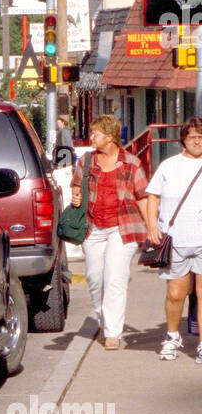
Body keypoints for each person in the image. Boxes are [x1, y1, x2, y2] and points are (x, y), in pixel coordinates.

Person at [70, 113, 149, 349]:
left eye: (96, 133)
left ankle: (113, 332)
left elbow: (143, 197)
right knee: (95, 279)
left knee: (115, 277)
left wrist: (152, 227)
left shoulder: (132, 163)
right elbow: (76, 184)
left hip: (122, 227)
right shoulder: (86, 161)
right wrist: (76, 194)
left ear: (110, 137)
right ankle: (104, 320)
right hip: (92, 226)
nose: (91, 137)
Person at [142, 116, 202, 362]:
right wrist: (151, 225)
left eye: (201, 137)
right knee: (175, 294)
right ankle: (172, 335)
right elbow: (152, 197)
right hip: (175, 240)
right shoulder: (169, 166)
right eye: (193, 138)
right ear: (183, 141)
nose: (198, 142)